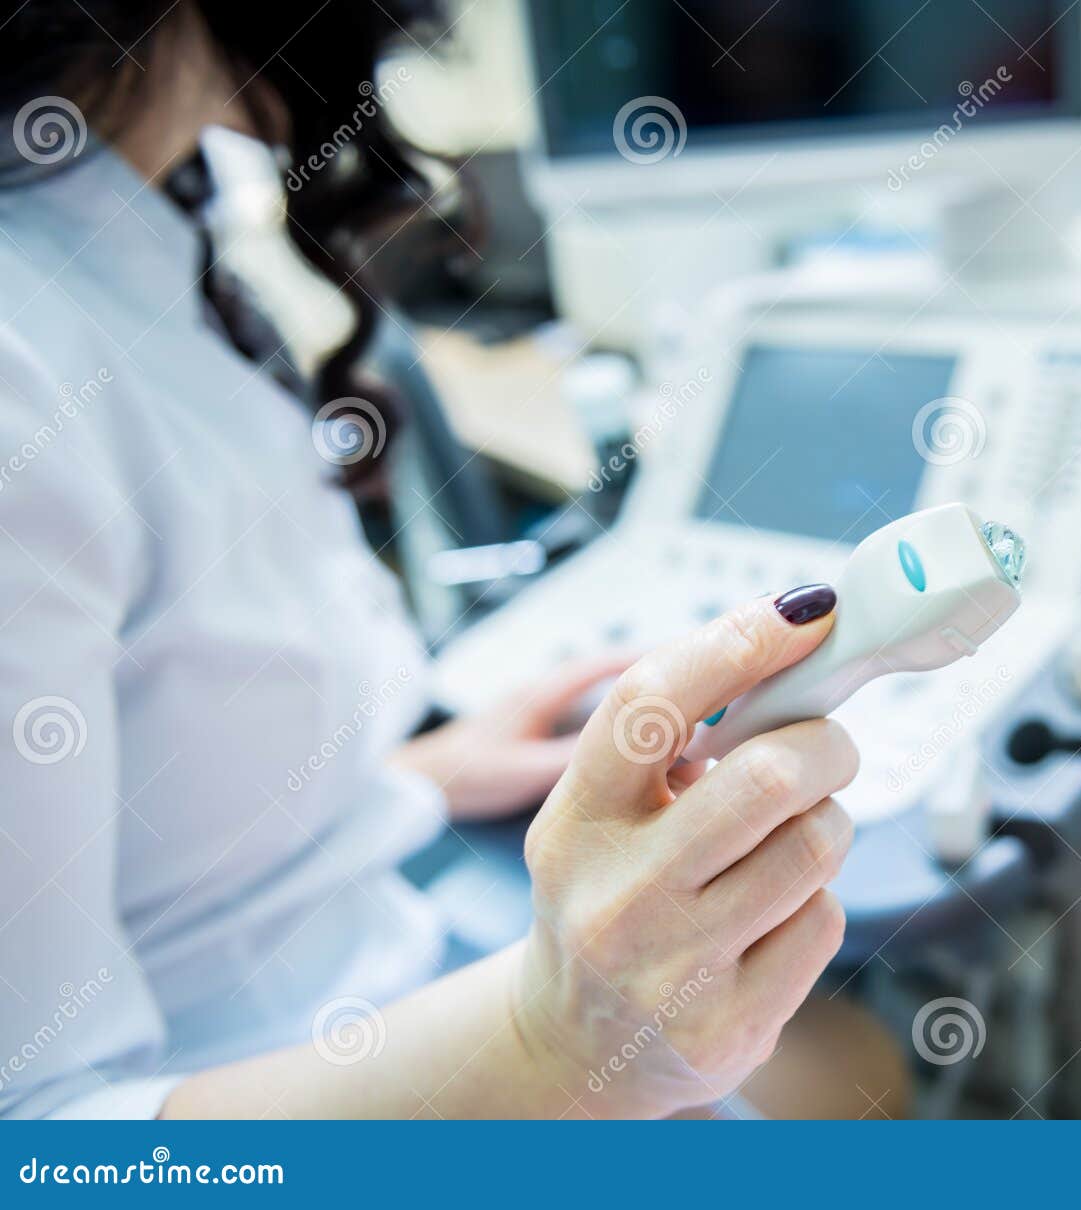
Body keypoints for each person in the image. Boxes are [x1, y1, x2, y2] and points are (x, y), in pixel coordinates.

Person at [0, 1, 905, 1119]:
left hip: (366, 963)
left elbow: (147, 795)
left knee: (854, 1059)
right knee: (852, 1070)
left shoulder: (134, 245)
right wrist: (549, 1044)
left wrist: (418, 777)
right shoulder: (23, 361)